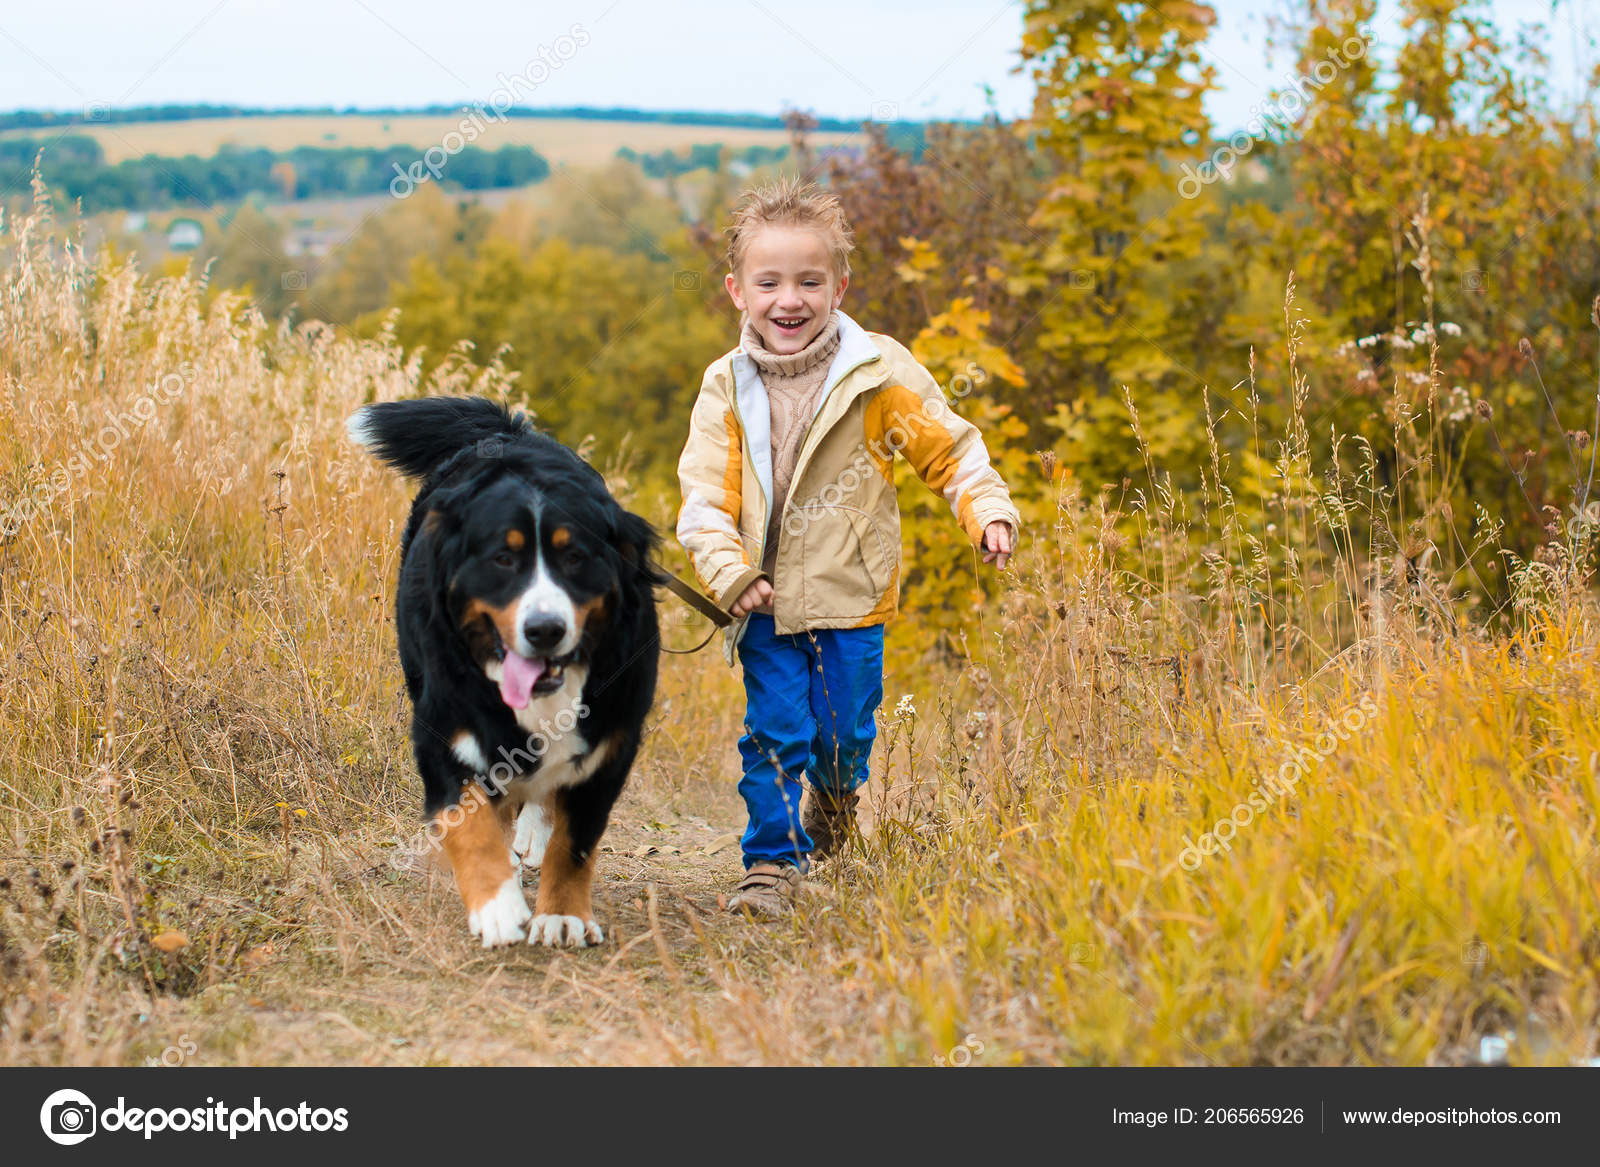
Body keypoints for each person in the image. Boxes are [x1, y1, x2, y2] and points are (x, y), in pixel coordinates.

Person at [675, 178, 1020, 918]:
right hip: (764, 603)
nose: (788, 299)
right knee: (775, 732)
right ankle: (770, 862)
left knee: (844, 736)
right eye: (769, 282)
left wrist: (985, 509)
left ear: (840, 285)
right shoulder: (726, 387)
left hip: (852, 596)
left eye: (808, 280)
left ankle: (835, 804)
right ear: (738, 290)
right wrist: (728, 571)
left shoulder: (878, 371)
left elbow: (949, 448)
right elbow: (704, 498)